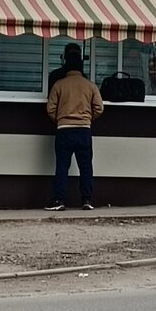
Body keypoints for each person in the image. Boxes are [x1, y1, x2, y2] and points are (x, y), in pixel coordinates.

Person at [45, 49, 104, 211]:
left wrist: (60, 119)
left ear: (65, 64)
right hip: (84, 130)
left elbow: (50, 108)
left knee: (62, 166)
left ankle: (59, 201)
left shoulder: (59, 84)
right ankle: (87, 200)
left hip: (64, 130)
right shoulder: (90, 85)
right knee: (85, 166)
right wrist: (87, 119)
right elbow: (99, 108)